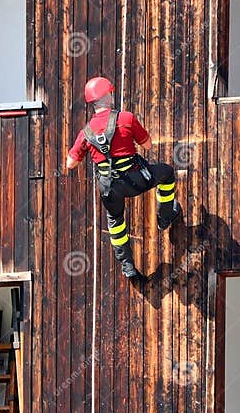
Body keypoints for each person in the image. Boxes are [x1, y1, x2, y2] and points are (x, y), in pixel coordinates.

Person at [66, 76, 182, 279]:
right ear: (108, 96)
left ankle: (127, 265)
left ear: (92, 103)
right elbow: (147, 145)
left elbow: (70, 163)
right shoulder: (126, 118)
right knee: (166, 173)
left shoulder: (85, 133)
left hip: (109, 189)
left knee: (116, 221)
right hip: (135, 180)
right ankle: (165, 216)